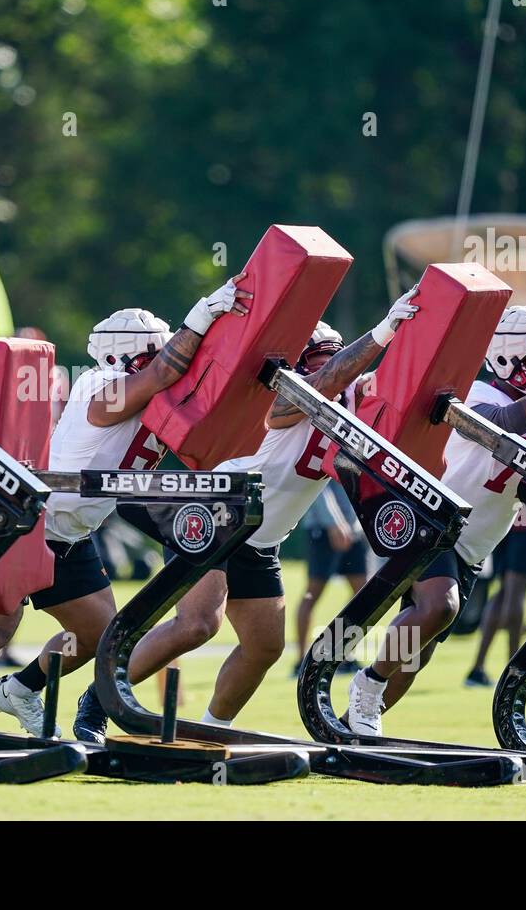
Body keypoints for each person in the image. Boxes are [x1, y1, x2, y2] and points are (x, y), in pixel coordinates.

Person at [0, 277, 253, 751]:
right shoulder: (101, 388)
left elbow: (189, 378)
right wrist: (201, 317)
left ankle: (20, 689)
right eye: (149, 355)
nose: (165, 364)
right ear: (120, 359)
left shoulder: (151, 391)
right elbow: (161, 373)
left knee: (100, 636)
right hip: (28, 526)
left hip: (72, 533)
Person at [104, 295, 420, 733]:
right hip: (220, 515)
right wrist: (383, 330)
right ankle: (96, 702)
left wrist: (417, 333)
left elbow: (388, 385)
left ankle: (212, 729)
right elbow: (324, 383)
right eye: (315, 360)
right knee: (197, 625)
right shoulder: (277, 400)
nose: (326, 368)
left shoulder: (349, 400)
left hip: (261, 537)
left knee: (264, 646)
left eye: (331, 357)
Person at [345, 305, 526, 736]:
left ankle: (357, 725)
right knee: (440, 606)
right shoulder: (479, 394)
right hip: (432, 519)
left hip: (473, 545)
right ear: (507, 358)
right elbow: (500, 426)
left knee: (420, 652)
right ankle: (367, 682)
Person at [464, 511, 526, 687]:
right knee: (515, 593)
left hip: (506, 522)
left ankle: (477, 669)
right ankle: (516, 672)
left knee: (504, 593)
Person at [295, 478, 367, 677]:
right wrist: (334, 523)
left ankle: (343, 655)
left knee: (364, 594)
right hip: (323, 528)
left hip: (353, 529)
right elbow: (319, 485)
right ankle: (301, 661)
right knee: (312, 593)